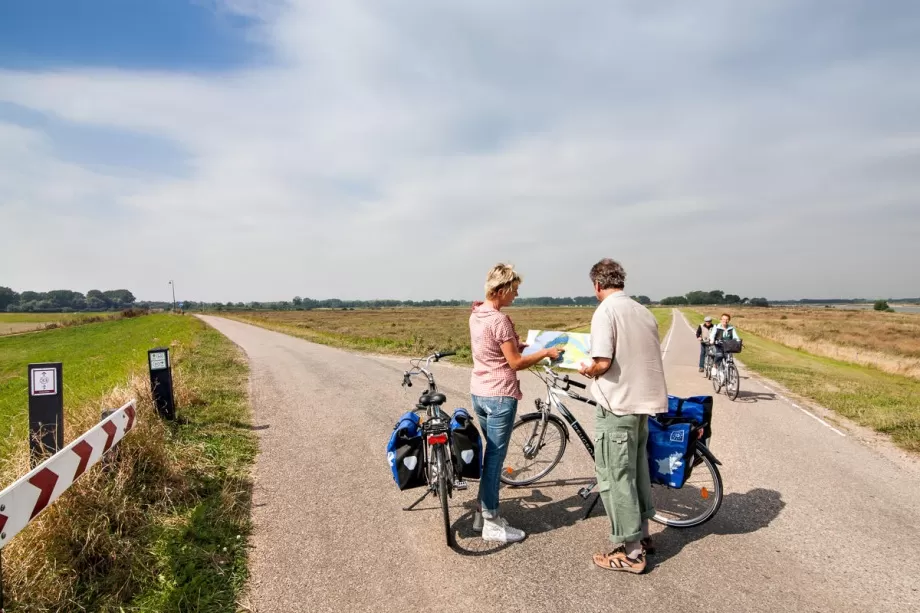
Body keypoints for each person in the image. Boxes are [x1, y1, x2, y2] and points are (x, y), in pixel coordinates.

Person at [578, 258, 667, 574]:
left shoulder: (605, 311)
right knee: (637, 470)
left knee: (616, 476)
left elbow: (602, 361)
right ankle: (644, 537)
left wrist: (587, 368)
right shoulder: (642, 310)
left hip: (617, 405)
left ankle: (631, 554)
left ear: (597, 285)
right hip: (644, 405)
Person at [469, 263, 564, 543]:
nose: (517, 295)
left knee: (491, 457)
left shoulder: (477, 314)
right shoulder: (500, 320)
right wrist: (545, 351)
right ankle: (491, 522)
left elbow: (495, 348)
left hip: (480, 392)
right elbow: (514, 363)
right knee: (495, 461)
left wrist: (517, 343)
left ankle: (480, 514)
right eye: (514, 290)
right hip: (500, 395)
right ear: (501, 290)